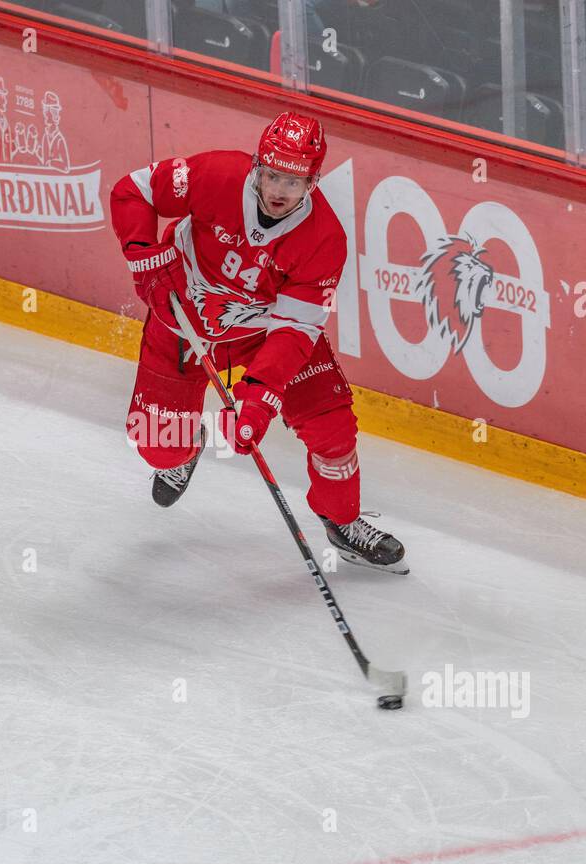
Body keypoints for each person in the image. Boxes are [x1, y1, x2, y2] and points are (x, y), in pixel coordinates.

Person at [109, 111, 408, 573]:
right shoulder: (216, 174)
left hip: (262, 333)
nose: (277, 190)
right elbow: (133, 190)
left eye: (292, 181)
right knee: (158, 445)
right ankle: (186, 448)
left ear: (312, 181)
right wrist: (143, 256)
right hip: (183, 319)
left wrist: (260, 399)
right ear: (256, 165)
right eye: (271, 175)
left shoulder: (324, 239)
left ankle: (341, 519)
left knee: (331, 427)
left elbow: (295, 331)